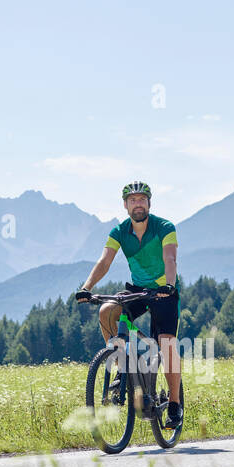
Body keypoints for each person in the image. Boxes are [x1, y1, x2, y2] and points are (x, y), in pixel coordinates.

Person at [75, 181, 183, 428]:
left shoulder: (165, 227)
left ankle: (175, 405)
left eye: (142, 199)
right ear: (125, 205)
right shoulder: (119, 231)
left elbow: (170, 258)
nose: (138, 204)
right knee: (107, 311)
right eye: (132, 200)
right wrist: (86, 288)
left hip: (164, 290)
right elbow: (104, 261)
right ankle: (120, 362)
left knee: (167, 343)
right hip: (137, 290)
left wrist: (168, 284)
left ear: (149, 203)